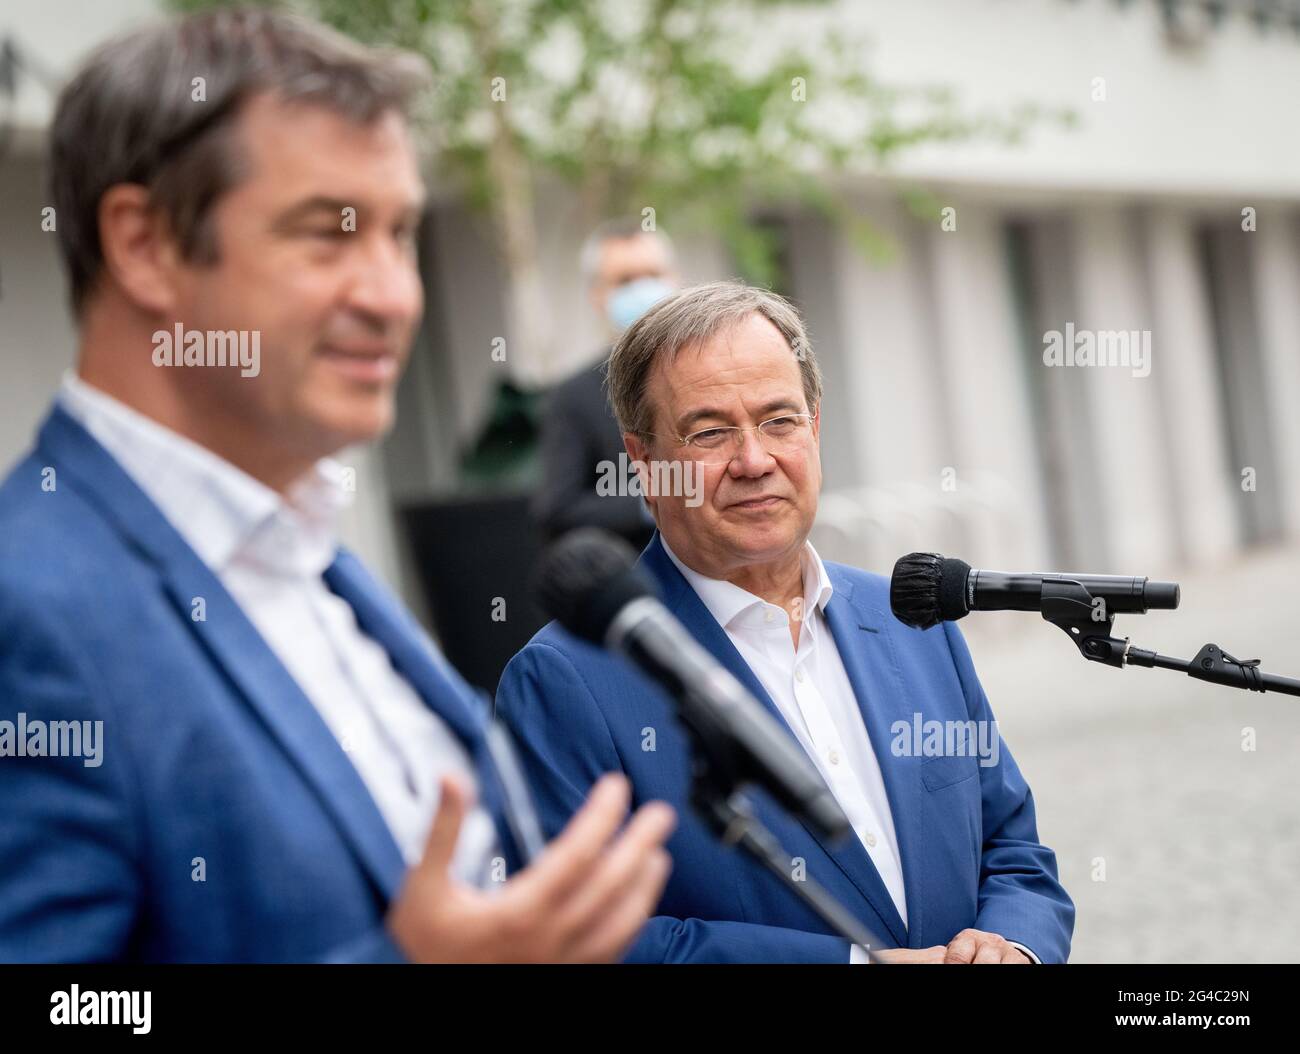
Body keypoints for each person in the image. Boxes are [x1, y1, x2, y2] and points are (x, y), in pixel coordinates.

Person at [0, 8, 674, 963]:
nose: (394, 293)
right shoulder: (28, 606)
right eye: (330, 235)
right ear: (144, 246)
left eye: (400, 236)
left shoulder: (307, 557)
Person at [497, 282, 1075, 963]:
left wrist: (1013, 944)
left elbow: (1011, 845)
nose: (754, 460)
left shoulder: (911, 621)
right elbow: (576, 942)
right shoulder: (566, 681)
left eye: (779, 420)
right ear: (645, 465)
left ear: (815, 428)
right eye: (710, 432)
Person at [531, 219, 678, 549]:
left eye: (653, 275)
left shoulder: (714, 374)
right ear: (597, 295)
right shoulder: (573, 397)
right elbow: (557, 509)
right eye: (625, 280)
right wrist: (656, 503)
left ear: (674, 279)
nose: (643, 289)